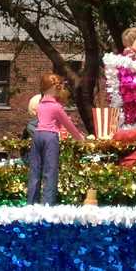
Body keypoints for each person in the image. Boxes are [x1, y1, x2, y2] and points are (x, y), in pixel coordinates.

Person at [27, 73, 85, 205]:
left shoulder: (40, 105)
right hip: (50, 136)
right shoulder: (56, 107)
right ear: (55, 88)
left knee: (35, 170)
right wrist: (80, 138)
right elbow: (68, 125)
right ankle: (48, 203)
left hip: (37, 135)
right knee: (50, 170)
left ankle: (31, 202)